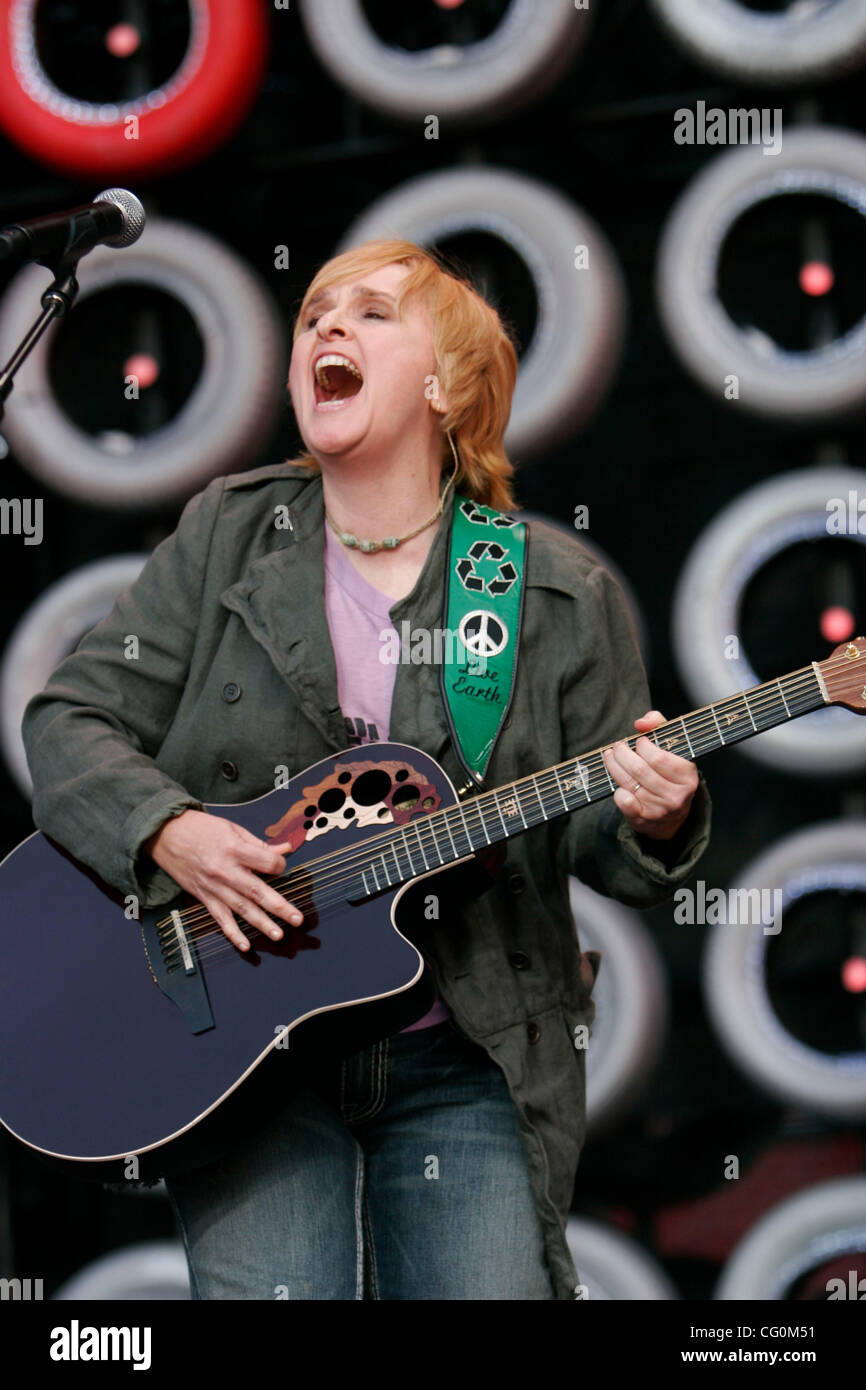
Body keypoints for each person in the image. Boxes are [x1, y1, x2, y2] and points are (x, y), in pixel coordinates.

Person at [22, 237, 711, 1300]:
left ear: (445, 384)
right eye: (312, 316)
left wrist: (658, 818)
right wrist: (170, 831)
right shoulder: (227, 534)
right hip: (247, 1052)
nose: (326, 328)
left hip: (464, 1053)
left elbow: (600, 845)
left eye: (371, 314)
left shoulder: (551, 589)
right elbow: (70, 722)